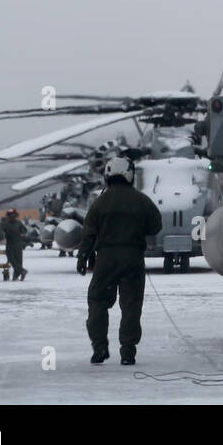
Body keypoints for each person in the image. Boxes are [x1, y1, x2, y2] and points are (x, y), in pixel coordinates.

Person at [78, 157, 162, 366]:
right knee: (131, 305)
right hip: (133, 258)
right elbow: (155, 226)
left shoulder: (100, 202)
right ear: (129, 174)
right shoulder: (142, 200)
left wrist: (83, 256)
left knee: (97, 302)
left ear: (108, 175)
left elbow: (88, 232)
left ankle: (99, 347)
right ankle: (128, 352)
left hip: (106, 259)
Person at [2, 210, 28, 281]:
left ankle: (17, 275)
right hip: (12, 243)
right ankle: (21, 272)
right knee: (13, 260)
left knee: (16, 260)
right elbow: (0, 231)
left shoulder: (15, 223)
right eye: (10, 215)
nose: (12, 216)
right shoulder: (7, 223)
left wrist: (21, 233)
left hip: (16, 243)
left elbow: (24, 230)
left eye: (13, 214)